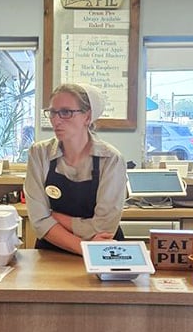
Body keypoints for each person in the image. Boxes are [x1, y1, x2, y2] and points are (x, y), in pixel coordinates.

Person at [24, 82, 127, 255]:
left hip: (103, 250)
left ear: (87, 117)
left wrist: (56, 217)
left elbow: (103, 227)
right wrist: (85, 247)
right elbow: (39, 221)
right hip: (53, 252)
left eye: (66, 112)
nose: (56, 120)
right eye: (53, 112)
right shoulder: (39, 153)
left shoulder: (111, 159)